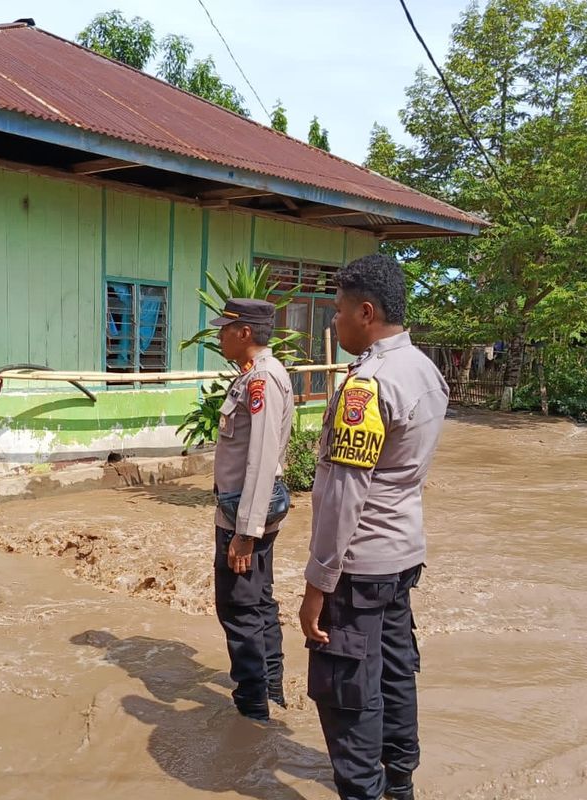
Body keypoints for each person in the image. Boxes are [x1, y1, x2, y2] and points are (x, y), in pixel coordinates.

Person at [299, 254, 449, 800]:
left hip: (359, 565)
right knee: (393, 672)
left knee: (348, 690)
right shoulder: (425, 370)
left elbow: (342, 495)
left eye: (337, 313)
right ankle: (400, 781)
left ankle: (362, 788)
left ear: (366, 312)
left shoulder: (367, 386)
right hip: (403, 553)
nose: (331, 324)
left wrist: (317, 585)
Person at [210, 298, 294, 721]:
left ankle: (253, 707)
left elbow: (261, 459)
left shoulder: (261, 380)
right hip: (250, 509)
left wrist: (245, 532)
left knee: (240, 606)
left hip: (245, 513)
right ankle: (271, 689)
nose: (218, 335)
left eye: (224, 329)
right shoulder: (256, 376)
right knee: (258, 600)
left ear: (244, 332)